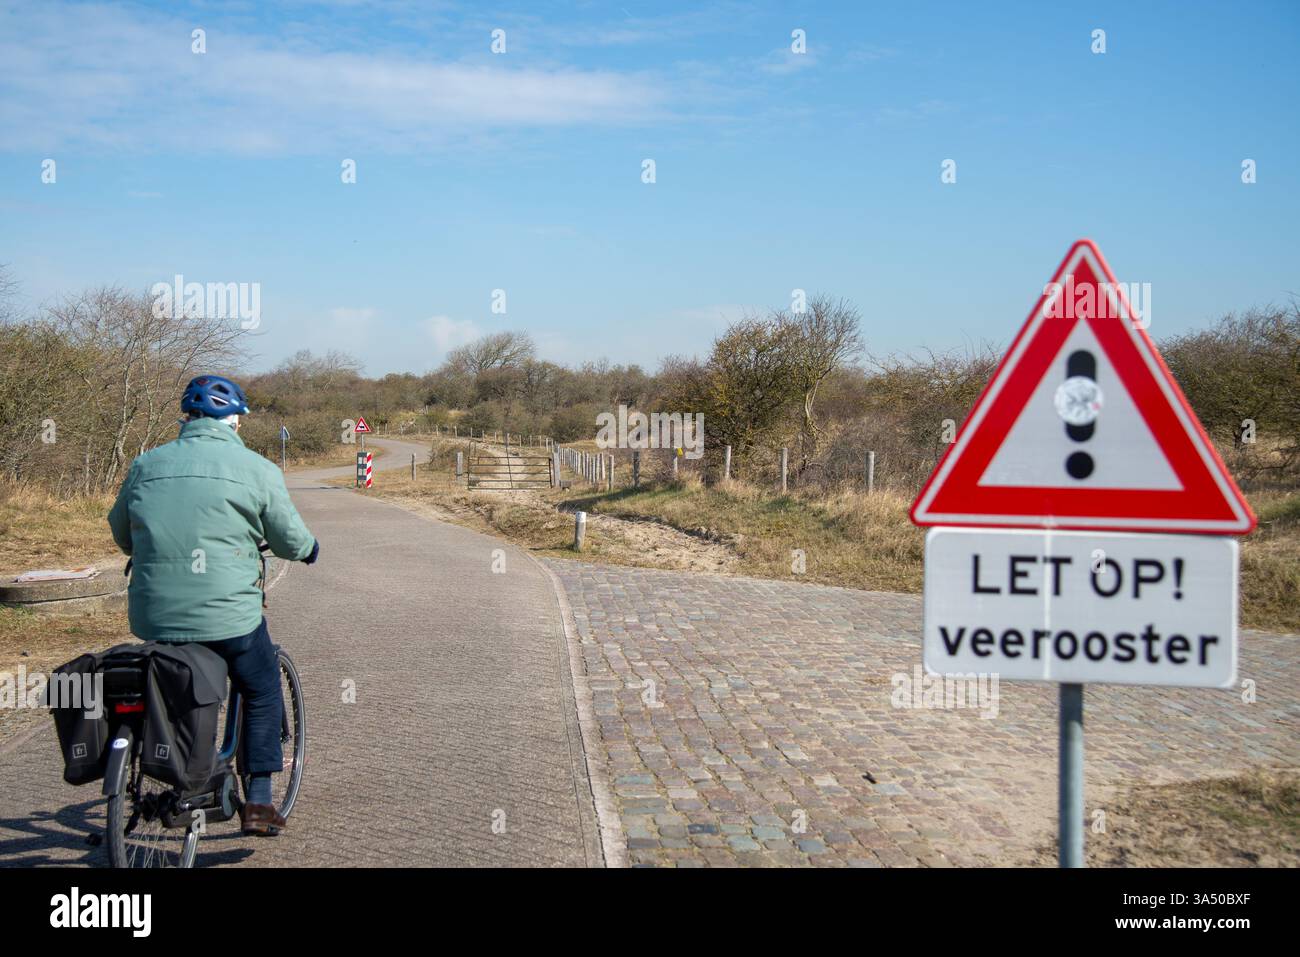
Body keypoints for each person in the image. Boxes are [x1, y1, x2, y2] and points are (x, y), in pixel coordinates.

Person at [107, 374, 318, 835]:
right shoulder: (257, 469)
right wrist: (308, 549)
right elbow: (287, 539)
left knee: (170, 678)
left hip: (154, 615)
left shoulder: (146, 465)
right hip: (229, 617)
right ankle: (259, 801)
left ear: (187, 418)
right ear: (234, 420)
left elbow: (123, 536)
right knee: (260, 685)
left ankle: (165, 763)